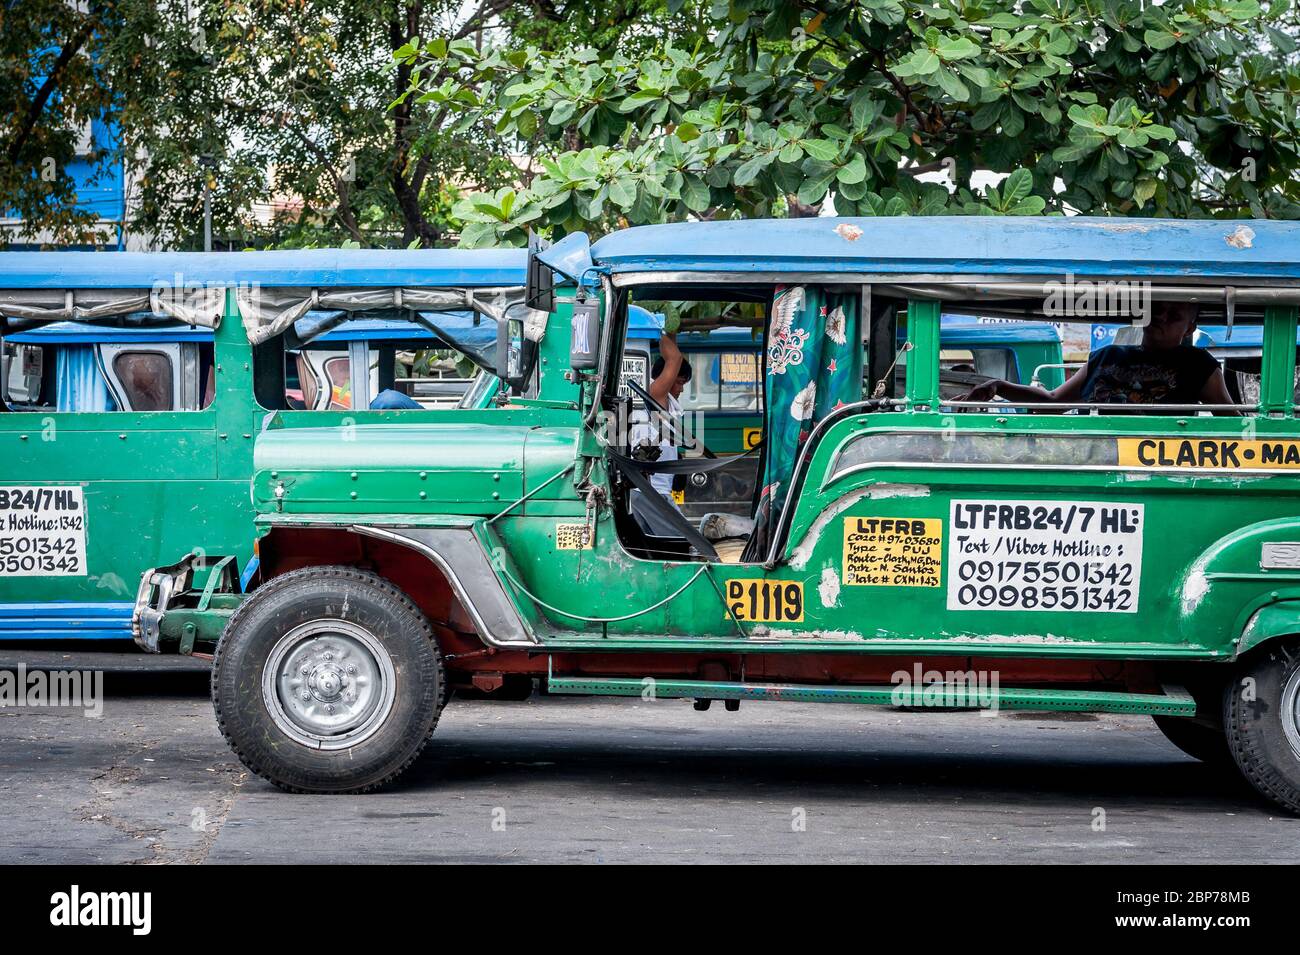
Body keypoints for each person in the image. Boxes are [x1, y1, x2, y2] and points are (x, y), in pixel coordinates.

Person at [958, 302, 1235, 412]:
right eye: (1156, 309)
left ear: (1190, 327)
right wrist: (998, 386)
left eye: (1173, 316)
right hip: (1096, 462)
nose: (1160, 318)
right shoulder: (1106, 356)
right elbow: (1052, 403)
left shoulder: (1200, 364)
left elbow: (1231, 419)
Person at [630, 332, 692, 500]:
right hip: (652, 493)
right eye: (679, 382)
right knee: (677, 528)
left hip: (657, 490)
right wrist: (658, 330)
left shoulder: (667, 404)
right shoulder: (655, 394)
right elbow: (674, 359)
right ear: (665, 379)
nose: (682, 389)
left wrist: (671, 327)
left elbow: (674, 354)